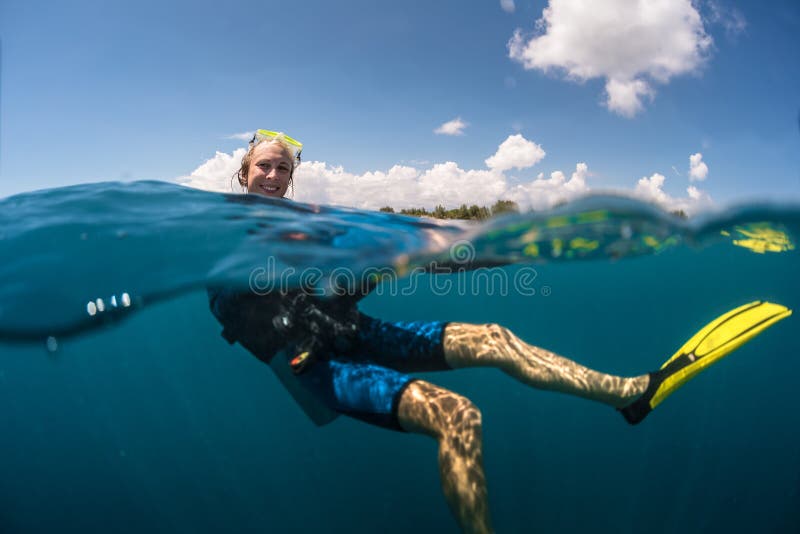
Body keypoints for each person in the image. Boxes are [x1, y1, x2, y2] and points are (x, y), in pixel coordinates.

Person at [208, 129, 792, 534]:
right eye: (266, 165)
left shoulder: (318, 221)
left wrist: (514, 249)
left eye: (284, 168)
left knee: (492, 336)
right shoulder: (224, 227)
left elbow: (406, 247)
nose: (275, 175)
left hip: (352, 330)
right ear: (245, 170)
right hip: (313, 363)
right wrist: (280, 319)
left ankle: (632, 392)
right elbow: (232, 309)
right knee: (458, 415)